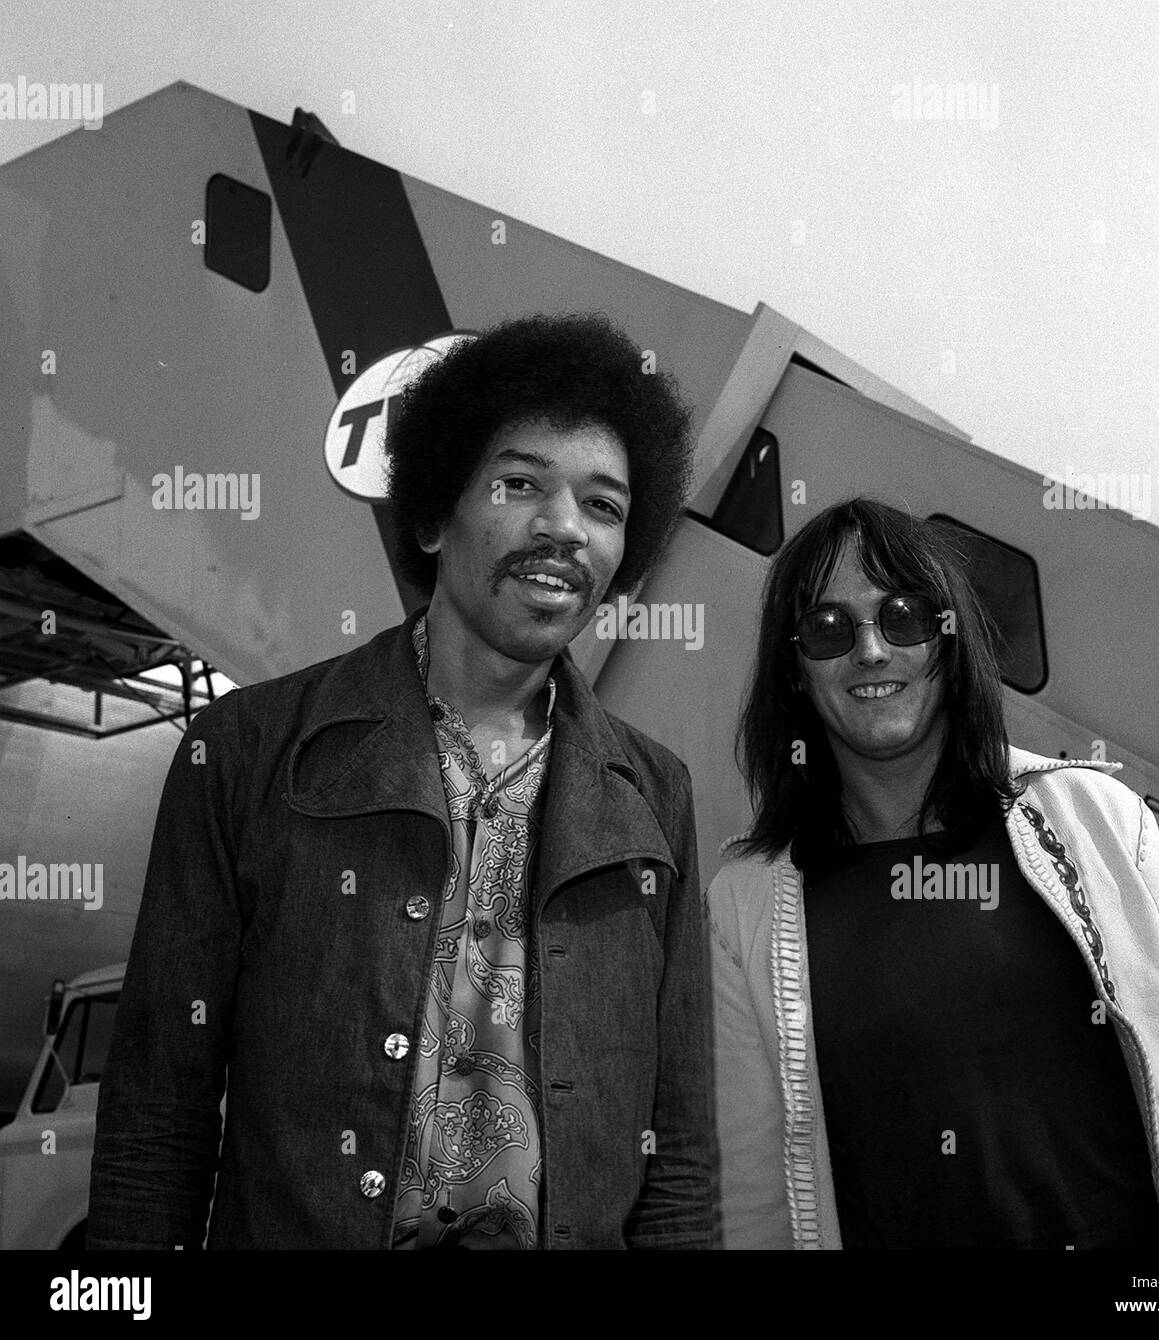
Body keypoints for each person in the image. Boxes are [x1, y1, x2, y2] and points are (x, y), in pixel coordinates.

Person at [88, 313, 715, 1250]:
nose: (563, 530)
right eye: (519, 484)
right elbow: (155, 1119)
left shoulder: (655, 794)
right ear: (429, 514)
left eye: (604, 506)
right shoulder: (250, 754)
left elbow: (680, 1164)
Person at [708, 496, 1159, 1250]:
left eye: (904, 617)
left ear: (949, 643)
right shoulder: (746, 901)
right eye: (828, 629)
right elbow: (759, 1203)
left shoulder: (1097, 818)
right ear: (794, 671)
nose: (871, 650)